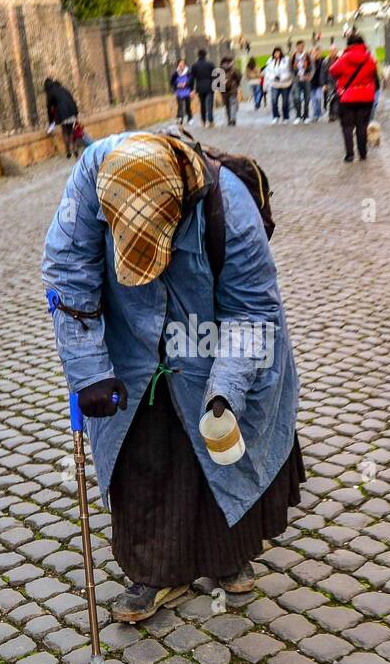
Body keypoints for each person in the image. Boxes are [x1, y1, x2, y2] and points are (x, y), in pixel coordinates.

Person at [41, 131, 303, 623]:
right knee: (143, 448)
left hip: (212, 331)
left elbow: (252, 314)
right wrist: (89, 369)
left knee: (222, 439)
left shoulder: (233, 210)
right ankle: (156, 571)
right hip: (130, 340)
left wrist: (225, 393)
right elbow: (68, 270)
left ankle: (227, 557)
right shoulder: (92, 179)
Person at [329, 33, 378, 162]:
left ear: (349, 44)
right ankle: (362, 153)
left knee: (347, 127)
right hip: (366, 97)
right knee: (362, 125)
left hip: (347, 98)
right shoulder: (369, 58)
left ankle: (350, 154)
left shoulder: (344, 58)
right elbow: (374, 71)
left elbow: (333, 71)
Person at [44, 77, 91, 158]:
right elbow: (71, 99)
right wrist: (75, 113)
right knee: (73, 130)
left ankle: (68, 151)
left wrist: (51, 122)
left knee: (65, 131)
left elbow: (49, 108)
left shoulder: (50, 93)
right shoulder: (62, 88)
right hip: (72, 110)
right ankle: (75, 149)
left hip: (63, 113)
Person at [263, 47, 293, 124]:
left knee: (285, 102)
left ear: (281, 53)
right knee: (274, 101)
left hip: (285, 84)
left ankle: (286, 117)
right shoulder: (270, 61)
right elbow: (266, 72)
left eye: (278, 52)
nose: (277, 54)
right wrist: (273, 77)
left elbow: (289, 71)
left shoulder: (286, 60)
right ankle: (275, 116)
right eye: (275, 53)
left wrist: (282, 78)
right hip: (274, 84)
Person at [190, 48, 216, 128]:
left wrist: (191, 90)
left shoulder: (194, 65)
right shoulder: (210, 64)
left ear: (198, 55)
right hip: (209, 87)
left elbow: (192, 78)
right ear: (206, 55)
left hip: (200, 88)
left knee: (202, 105)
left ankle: (204, 121)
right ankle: (211, 121)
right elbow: (215, 75)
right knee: (210, 104)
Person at [290, 41, 312, 123]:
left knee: (307, 99)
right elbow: (290, 69)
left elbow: (312, 67)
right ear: (296, 47)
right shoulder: (293, 56)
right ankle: (298, 116)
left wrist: (310, 76)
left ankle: (306, 116)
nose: (300, 48)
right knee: (296, 98)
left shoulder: (307, 55)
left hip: (306, 80)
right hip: (297, 80)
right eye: (299, 46)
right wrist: (293, 77)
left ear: (304, 46)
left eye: (302, 46)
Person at [219, 55, 241, 126]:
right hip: (232, 89)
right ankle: (233, 119)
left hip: (223, 90)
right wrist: (236, 84)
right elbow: (239, 76)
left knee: (227, 105)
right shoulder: (233, 69)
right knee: (233, 104)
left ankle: (229, 120)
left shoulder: (220, 69)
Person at [307, 46, 327, 123]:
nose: (315, 53)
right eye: (313, 52)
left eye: (317, 52)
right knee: (314, 100)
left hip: (319, 83)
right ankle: (316, 115)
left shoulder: (323, 60)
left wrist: (325, 83)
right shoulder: (310, 62)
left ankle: (318, 114)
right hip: (311, 83)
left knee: (318, 98)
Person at [171, 59, 193, 124]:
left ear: (184, 65)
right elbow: (172, 82)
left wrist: (185, 84)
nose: (181, 65)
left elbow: (191, 81)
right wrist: (177, 85)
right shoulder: (175, 73)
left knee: (187, 106)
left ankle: (190, 118)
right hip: (179, 92)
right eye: (180, 64)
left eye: (182, 64)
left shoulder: (188, 72)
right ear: (178, 65)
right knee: (180, 106)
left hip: (187, 92)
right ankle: (180, 119)